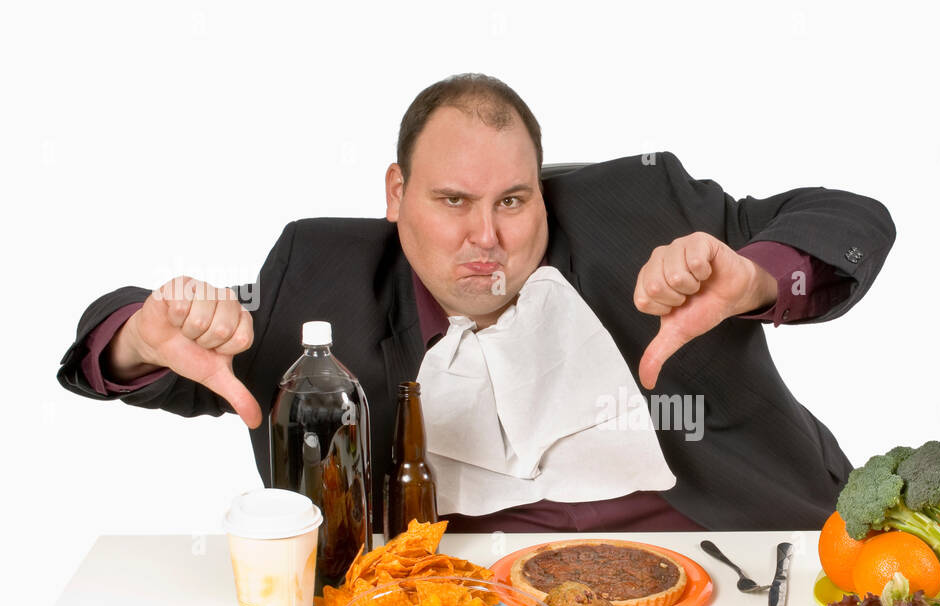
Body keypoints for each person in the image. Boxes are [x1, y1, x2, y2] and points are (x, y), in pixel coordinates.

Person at [56, 73, 895, 533]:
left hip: (737, 562)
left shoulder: (643, 215)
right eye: (452, 201)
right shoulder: (319, 278)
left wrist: (753, 278)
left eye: (513, 202)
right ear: (397, 193)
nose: (484, 238)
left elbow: (848, 218)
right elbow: (147, 342)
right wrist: (140, 335)